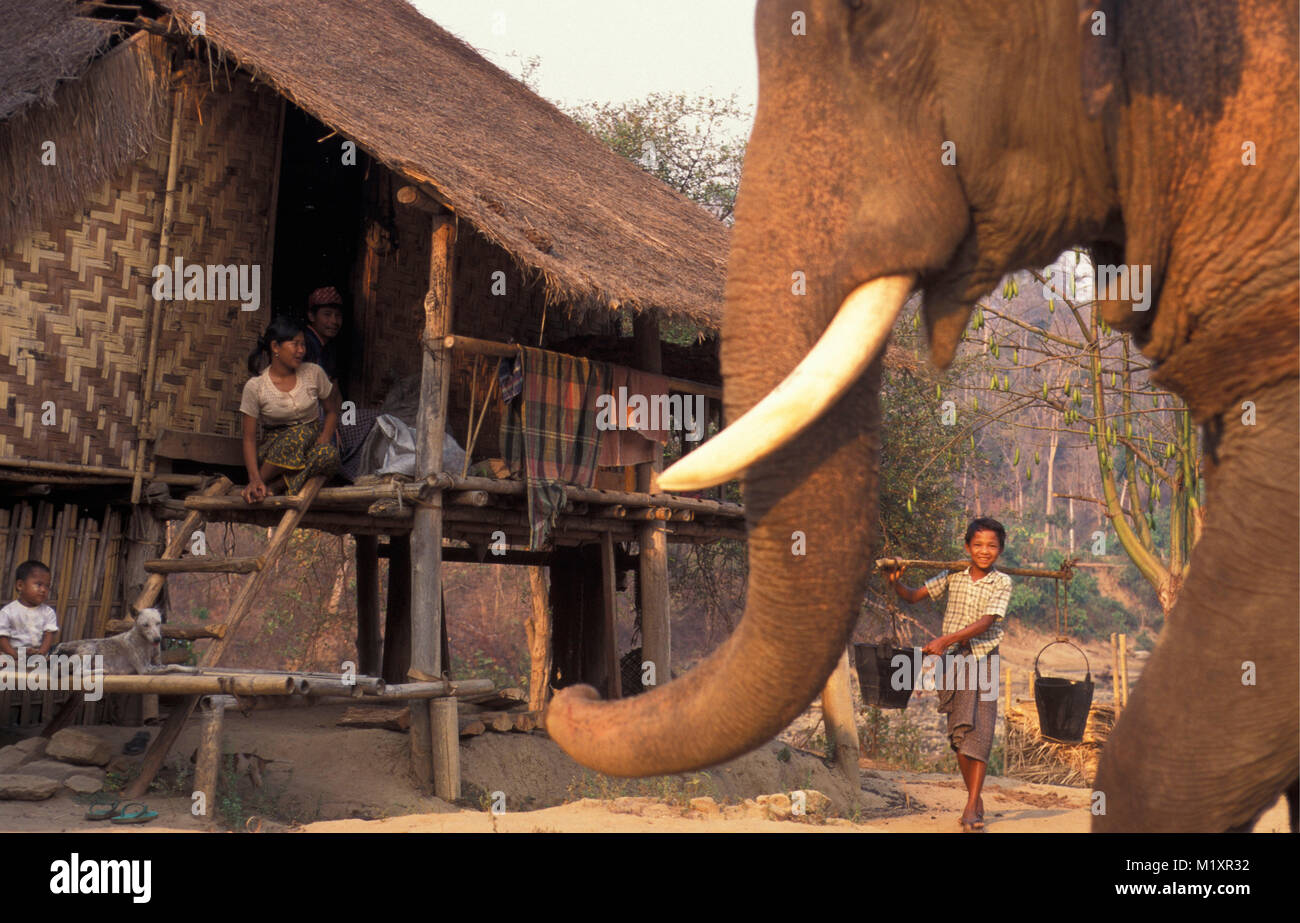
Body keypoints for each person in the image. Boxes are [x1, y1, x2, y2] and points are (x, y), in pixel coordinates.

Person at [887, 517, 1012, 831]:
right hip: (953, 663)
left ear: (1000, 549)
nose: (985, 551)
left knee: (981, 730)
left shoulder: (1002, 583)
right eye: (978, 545)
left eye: (992, 546)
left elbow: (986, 623)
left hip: (984, 660)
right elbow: (913, 596)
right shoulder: (954, 574)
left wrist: (944, 640)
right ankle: (975, 796)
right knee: (959, 731)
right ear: (968, 547)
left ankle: (971, 805)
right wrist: (894, 582)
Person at [239, 316, 341, 503]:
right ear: (275, 347)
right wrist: (253, 477)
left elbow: (332, 411)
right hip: (273, 451)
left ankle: (275, 487)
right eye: (295, 344)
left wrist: (325, 438)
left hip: (310, 444)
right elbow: (249, 438)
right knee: (299, 434)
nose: (301, 350)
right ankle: (259, 482)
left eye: (303, 345)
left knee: (329, 456)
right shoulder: (256, 387)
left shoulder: (313, 373)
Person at [0, 560, 59, 662]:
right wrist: (15, 656)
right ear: (20, 585)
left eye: (47, 586)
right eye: (39, 584)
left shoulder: (48, 612)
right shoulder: (8, 611)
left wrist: (40, 654)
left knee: (60, 658)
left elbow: (48, 637)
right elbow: (2, 638)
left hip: (39, 654)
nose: (43, 590)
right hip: (13, 653)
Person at [303, 286, 344, 379]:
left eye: (338, 315)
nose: (334, 321)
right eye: (327, 314)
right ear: (311, 316)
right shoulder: (304, 344)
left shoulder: (326, 346)